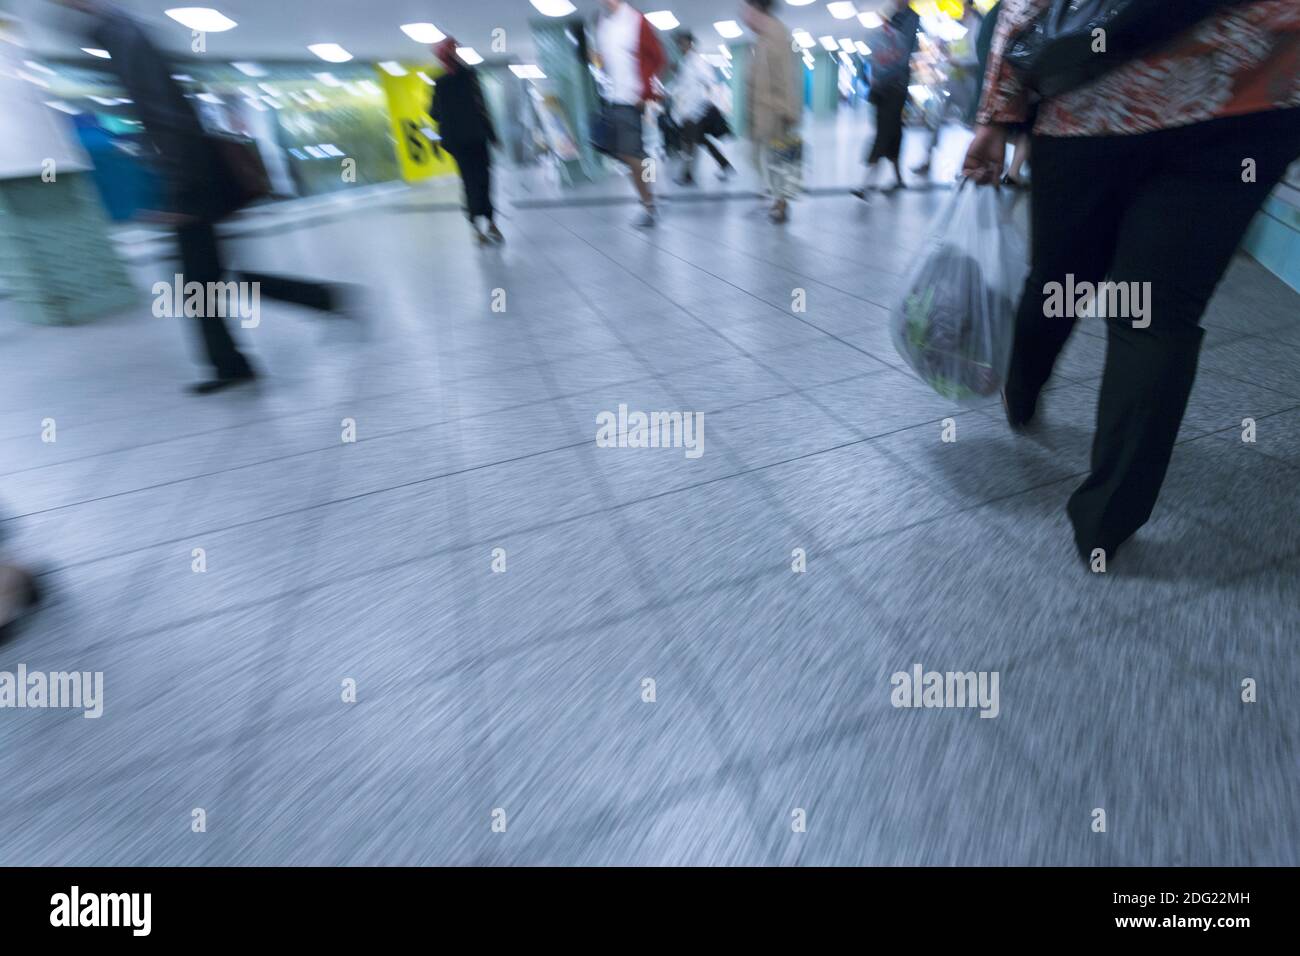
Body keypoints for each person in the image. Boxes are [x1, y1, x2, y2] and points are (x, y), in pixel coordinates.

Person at [964, 0, 1300, 566]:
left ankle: (1021, 389)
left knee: (1061, 277)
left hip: (1092, 109)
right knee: (1155, 317)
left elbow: (1023, 10)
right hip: (1245, 102)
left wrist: (995, 118)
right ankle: (1106, 522)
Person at [52, 0, 357, 395]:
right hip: (194, 181)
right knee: (211, 280)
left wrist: (181, 196)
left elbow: (167, 117)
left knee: (200, 284)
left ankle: (237, 360)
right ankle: (312, 306)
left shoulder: (123, 35)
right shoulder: (120, 33)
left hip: (192, 185)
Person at [593, 0, 667, 227]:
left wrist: (647, 93)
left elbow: (659, 59)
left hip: (630, 100)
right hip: (612, 100)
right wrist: (596, 60)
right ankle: (649, 196)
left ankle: (649, 205)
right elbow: (604, 64)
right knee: (626, 155)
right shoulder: (604, 25)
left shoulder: (636, 20)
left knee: (631, 154)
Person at [431, 37, 503, 245]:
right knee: (484, 181)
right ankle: (490, 224)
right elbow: (482, 109)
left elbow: (434, 113)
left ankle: (477, 228)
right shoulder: (470, 76)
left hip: (458, 143)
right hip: (477, 139)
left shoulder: (440, 83)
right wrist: (493, 136)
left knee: (469, 182)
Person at [853, 0, 920, 201]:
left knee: (884, 131)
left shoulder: (911, 18)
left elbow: (905, 51)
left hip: (895, 85)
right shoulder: (893, 16)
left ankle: (865, 184)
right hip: (886, 86)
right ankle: (898, 179)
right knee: (894, 131)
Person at [742, 0, 802, 223]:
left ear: (758, 9)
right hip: (762, 111)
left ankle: (782, 203)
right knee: (762, 158)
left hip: (776, 111)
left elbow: (787, 75)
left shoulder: (777, 34)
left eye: (746, 9)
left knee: (779, 158)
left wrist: (789, 110)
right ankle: (778, 199)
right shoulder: (761, 38)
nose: (743, 14)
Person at [913, 0, 985, 179]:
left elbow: (976, 57)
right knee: (937, 120)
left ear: (969, 6)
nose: (961, 10)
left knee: (973, 124)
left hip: (968, 84)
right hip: (955, 83)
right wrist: (947, 56)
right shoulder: (964, 28)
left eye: (963, 6)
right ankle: (928, 159)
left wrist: (956, 60)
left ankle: (984, 161)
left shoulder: (977, 25)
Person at [669, 31, 734, 186]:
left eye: (683, 42)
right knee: (700, 140)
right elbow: (683, 86)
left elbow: (710, 83)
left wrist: (710, 104)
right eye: (679, 43)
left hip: (695, 111)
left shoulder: (698, 62)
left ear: (691, 43)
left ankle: (687, 175)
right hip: (688, 110)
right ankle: (724, 165)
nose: (680, 46)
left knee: (689, 144)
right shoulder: (686, 62)